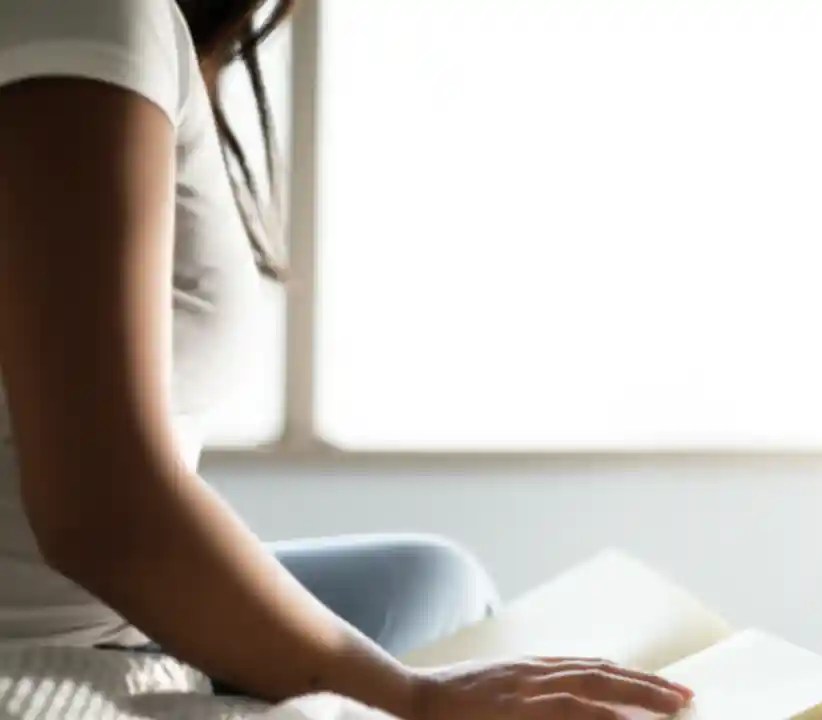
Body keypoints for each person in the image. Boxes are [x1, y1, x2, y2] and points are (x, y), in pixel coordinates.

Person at [0, 1, 694, 718]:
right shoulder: (86, 14)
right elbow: (104, 513)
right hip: (66, 632)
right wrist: (416, 701)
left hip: (97, 615)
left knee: (435, 579)